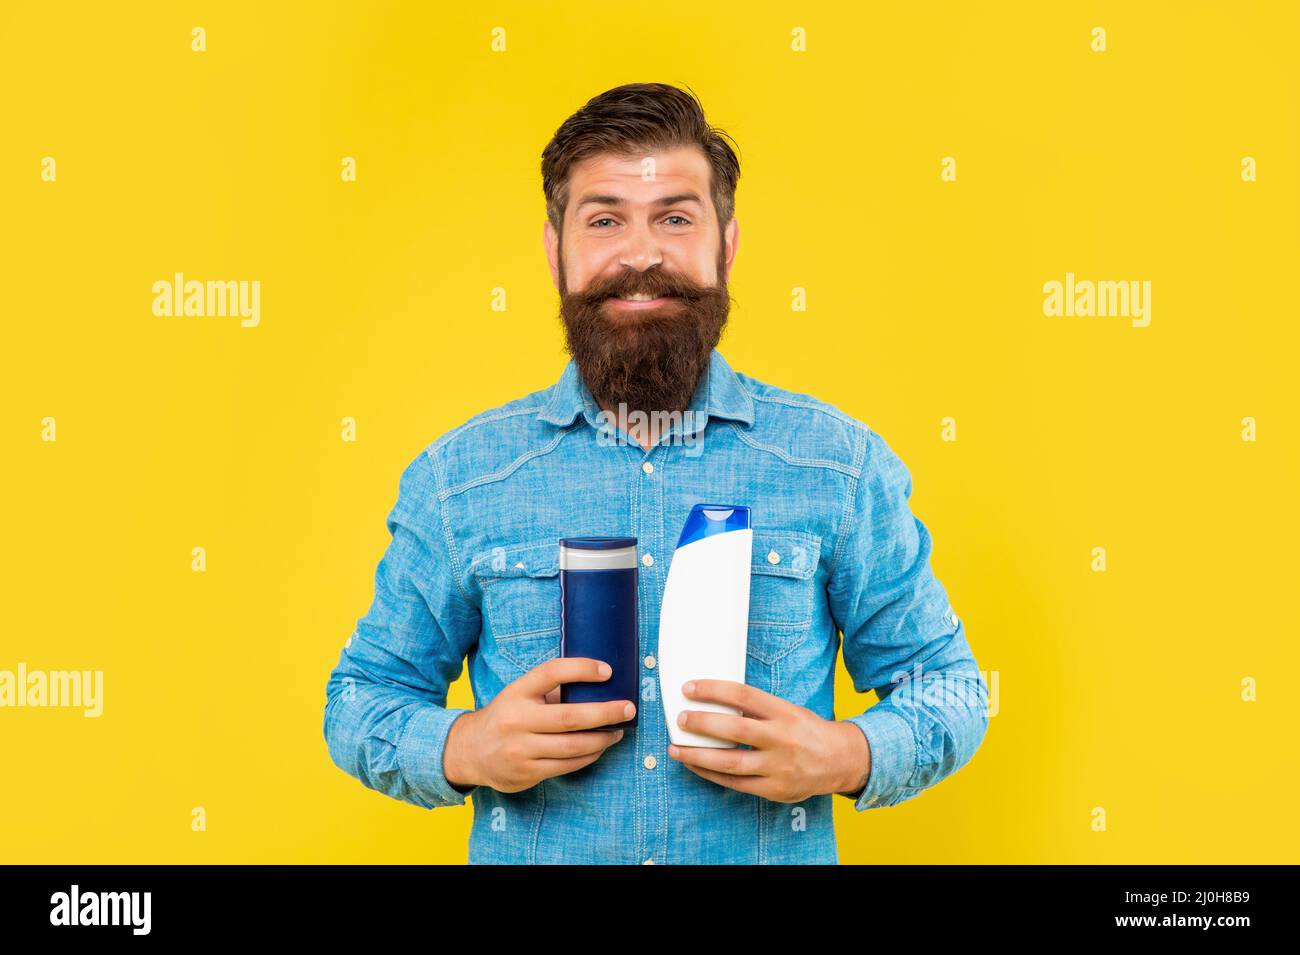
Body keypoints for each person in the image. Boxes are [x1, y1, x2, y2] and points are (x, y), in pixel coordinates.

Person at [323, 82, 988, 864]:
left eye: (675, 218)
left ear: (726, 245)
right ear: (555, 250)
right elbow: (360, 698)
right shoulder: (458, 480)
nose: (641, 255)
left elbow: (951, 685)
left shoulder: (837, 465)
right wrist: (462, 745)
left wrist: (848, 754)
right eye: (604, 220)